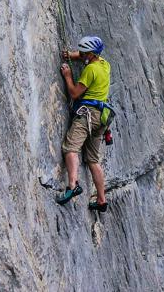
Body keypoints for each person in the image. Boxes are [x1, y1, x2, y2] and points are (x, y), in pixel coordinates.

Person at [55, 35, 111, 212]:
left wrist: (68, 75)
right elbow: (83, 56)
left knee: (70, 148)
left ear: (92, 54)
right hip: (103, 117)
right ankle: (101, 200)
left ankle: (72, 186)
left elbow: (74, 93)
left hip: (88, 114)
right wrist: (72, 55)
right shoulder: (104, 64)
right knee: (93, 160)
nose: (82, 54)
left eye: (85, 52)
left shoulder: (91, 70)